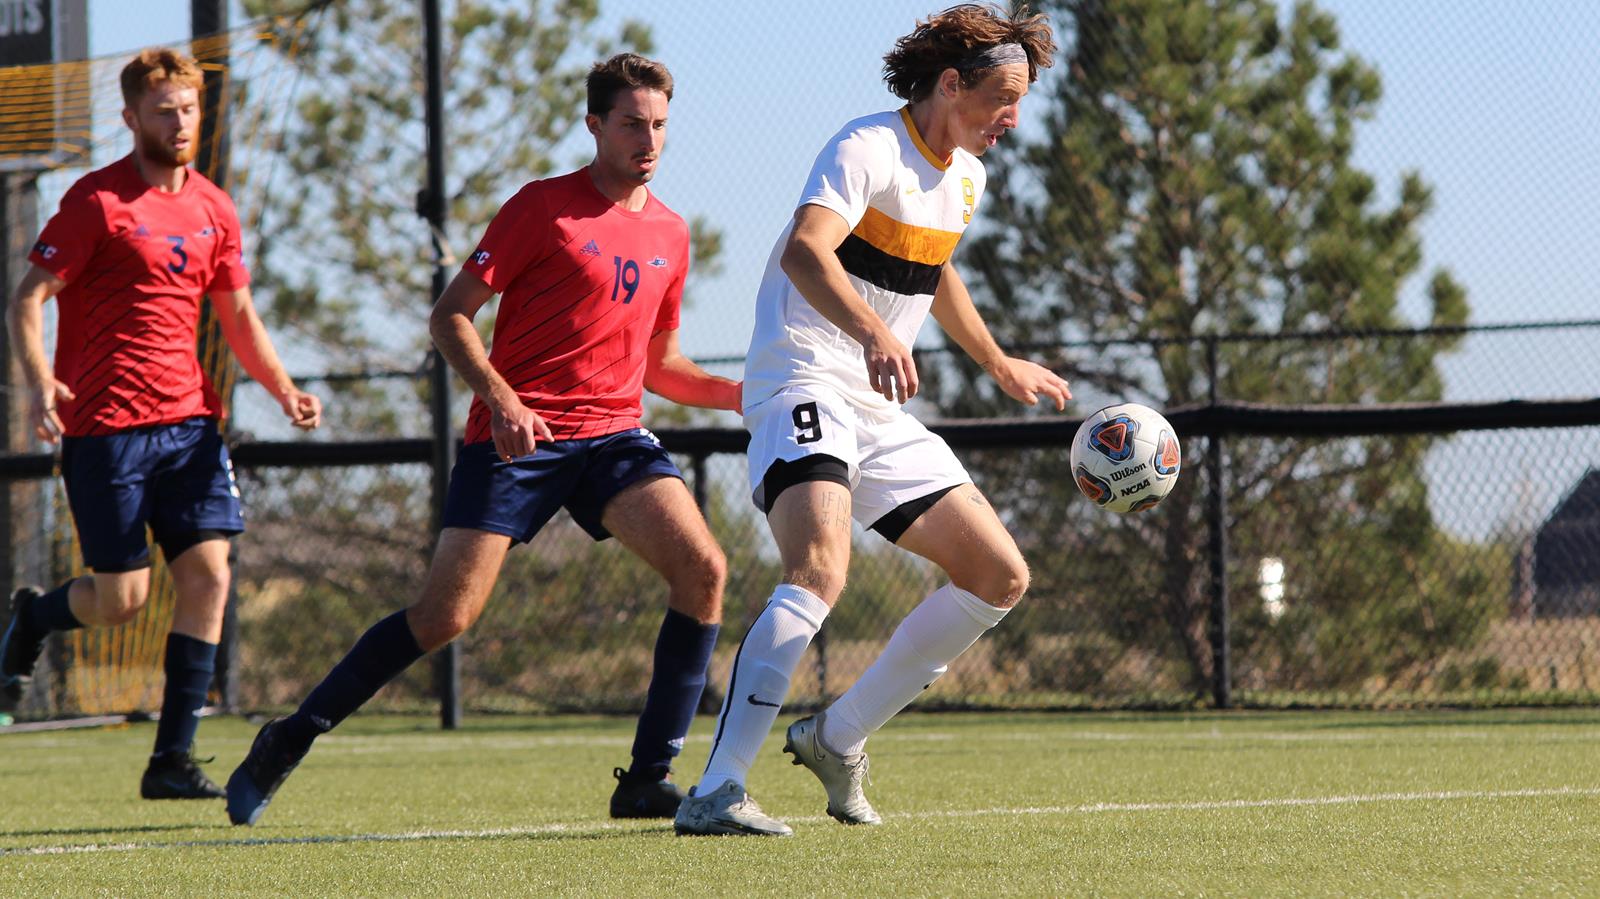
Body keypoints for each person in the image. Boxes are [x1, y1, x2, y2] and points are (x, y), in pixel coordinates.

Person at [225, 52, 742, 827]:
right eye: (633, 123)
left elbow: (661, 365)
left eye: (661, 124)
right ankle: (290, 734)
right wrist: (500, 398)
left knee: (703, 569)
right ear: (595, 124)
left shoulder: (670, 229)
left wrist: (741, 395)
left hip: (612, 438)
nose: (650, 138)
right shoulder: (541, 207)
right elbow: (450, 315)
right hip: (518, 438)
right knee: (443, 618)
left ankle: (647, 778)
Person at [673, 4, 1067, 837]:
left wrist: (997, 361)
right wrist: (876, 331)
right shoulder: (866, 146)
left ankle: (836, 735)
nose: (1013, 119)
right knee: (818, 565)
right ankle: (717, 788)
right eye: (1004, 97)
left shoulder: (965, 176)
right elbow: (806, 251)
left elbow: (935, 268)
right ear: (951, 84)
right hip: (803, 373)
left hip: (874, 401)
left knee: (998, 574)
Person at [0, 49, 324, 799]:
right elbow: (27, 297)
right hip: (106, 427)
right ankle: (35, 618)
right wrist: (37, 380)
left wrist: (282, 387)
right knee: (122, 600)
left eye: (188, 109)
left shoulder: (214, 205)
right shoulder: (96, 202)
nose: (178, 124)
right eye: (162, 112)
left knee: (210, 574)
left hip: (190, 424)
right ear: (131, 119)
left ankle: (170, 759)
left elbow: (237, 313)